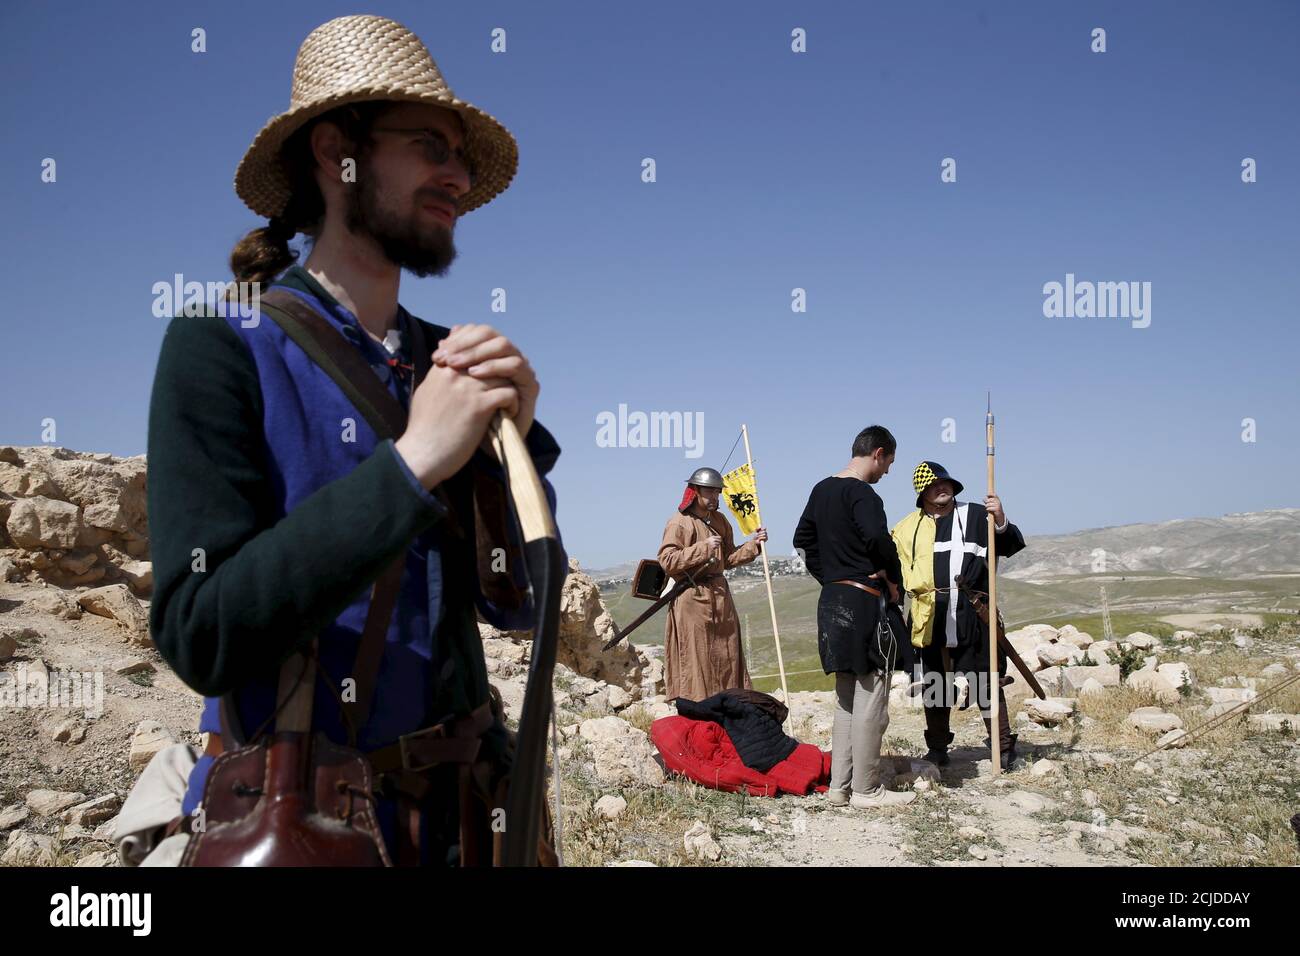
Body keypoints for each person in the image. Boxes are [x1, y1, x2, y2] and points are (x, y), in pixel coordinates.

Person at [144, 15, 562, 865]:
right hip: (305, 825)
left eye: (464, 157)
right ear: (336, 152)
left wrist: (507, 455)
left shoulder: (450, 361)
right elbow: (199, 631)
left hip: (465, 821)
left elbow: (513, 605)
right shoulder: (221, 343)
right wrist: (412, 466)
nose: (457, 174)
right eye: (430, 146)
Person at [793, 426, 916, 809]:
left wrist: (831, 577)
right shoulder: (864, 494)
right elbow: (879, 540)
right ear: (878, 453)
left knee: (846, 697)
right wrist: (892, 579)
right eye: (889, 463)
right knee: (871, 695)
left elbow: (803, 540)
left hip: (832, 601)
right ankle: (866, 789)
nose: (887, 472)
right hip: (865, 603)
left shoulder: (820, 490)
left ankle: (839, 788)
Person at [891, 462, 1025, 770]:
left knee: (985, 678)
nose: (942, 488)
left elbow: (1010, 544)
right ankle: (938, 749)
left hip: (973, 612)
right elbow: (896, 572)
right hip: (929, 615)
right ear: (922, 493)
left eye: (946, 483)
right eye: (934, 485)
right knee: (935, 682)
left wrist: (1000, 518)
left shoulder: (978, 516)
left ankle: (1003, 749)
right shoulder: (907, 528)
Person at [658, 467, 767, 701]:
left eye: (718, 493)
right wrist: (703, 547)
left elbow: (727, 558)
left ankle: (729, 704)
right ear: (695, 491)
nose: (715, 498)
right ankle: (698, 708)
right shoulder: (680, 523)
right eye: (710, 492)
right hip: (692, 597)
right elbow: (667, 561)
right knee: (698, 658)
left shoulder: (720, 520)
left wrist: (753, 546)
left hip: (720, 596)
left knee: (728, 654)